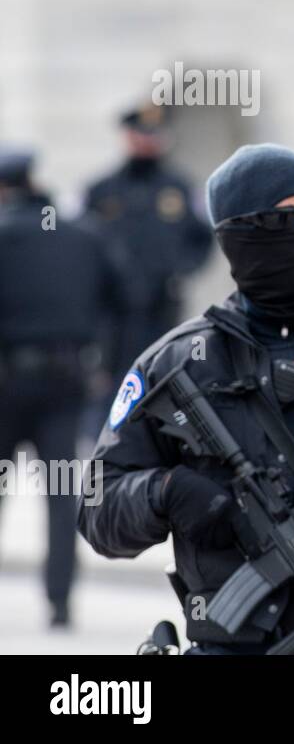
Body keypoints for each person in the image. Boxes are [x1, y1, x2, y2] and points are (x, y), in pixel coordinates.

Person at [78, 144, 294, 652]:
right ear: (236, 238)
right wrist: (163, 492)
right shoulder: (177, 363)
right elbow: (98, 512)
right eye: (284, 218)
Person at [0, 147, 126, 627]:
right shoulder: (82, 235)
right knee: (59, 497)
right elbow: (124, 297)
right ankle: (59, 601)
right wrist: (104, 365)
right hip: (66, 381)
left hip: (7, 385)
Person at [83, 103, 213, 382]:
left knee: (164, 375)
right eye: (140, 134)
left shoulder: (180, 187)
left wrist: (181, 269)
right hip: (114, 311)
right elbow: (82, 242)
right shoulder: (100, 190)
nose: (147, 141)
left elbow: (203, 236)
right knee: (113, 385)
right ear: (127, 136)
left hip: (161, 304)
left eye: (154, 134)